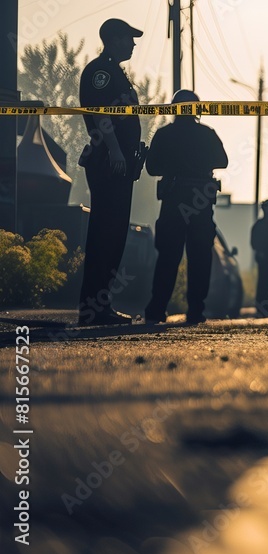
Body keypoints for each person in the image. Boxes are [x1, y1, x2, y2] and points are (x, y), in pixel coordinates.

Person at [76, 18, 145, 326]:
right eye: (129, 38)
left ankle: (101, 305)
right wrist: (115, 149)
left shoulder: (115, 72)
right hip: (108, 161)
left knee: (115, 236)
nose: (133, 43)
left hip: (119, 163)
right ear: (114, 39)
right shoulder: (100, 72)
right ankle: (92, 309)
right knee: (105, 234)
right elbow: (100, 113)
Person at [143, 89, 229, 324]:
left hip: (174, 202)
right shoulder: (206, 134)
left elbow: (151, 168)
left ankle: (157, 309)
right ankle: (195, 310)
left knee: (168, 257)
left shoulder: (164, 135)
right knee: (200, 257)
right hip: (200, 203)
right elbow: (223, 161)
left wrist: (173, 166)